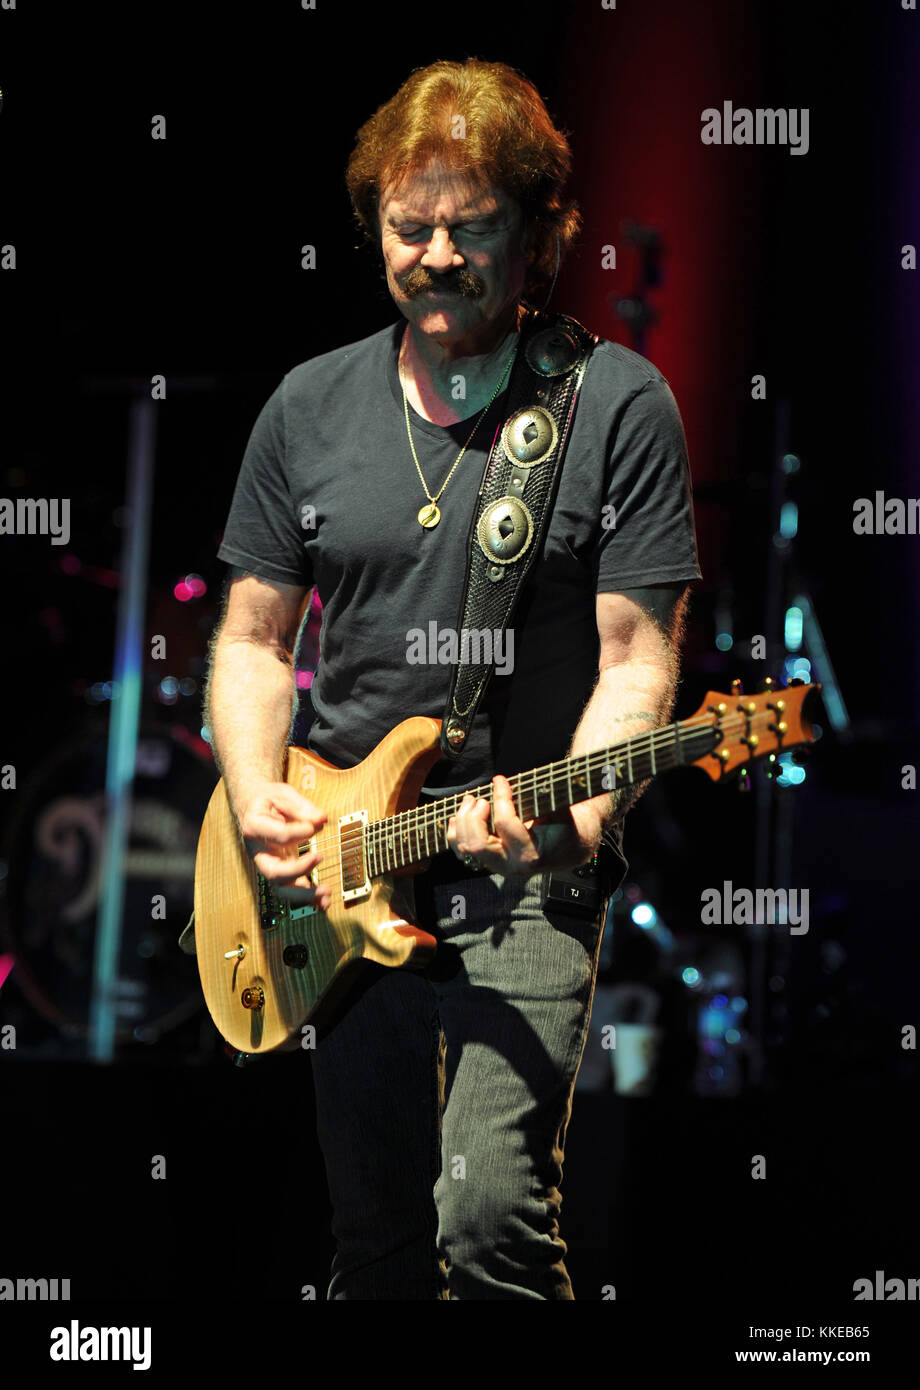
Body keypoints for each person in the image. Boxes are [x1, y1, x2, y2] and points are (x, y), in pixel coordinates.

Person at [203, 58, 701, 1299]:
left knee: (486, 1227)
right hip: (337, 864)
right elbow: (252, 642)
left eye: (468, 226)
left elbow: (639, 660)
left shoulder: (616, 406)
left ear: (537, 235)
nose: (431, 254)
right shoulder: (307, 406)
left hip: (524, 870)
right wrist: (258, 787)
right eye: (404, 224)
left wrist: (574, 817)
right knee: (371, 1250)